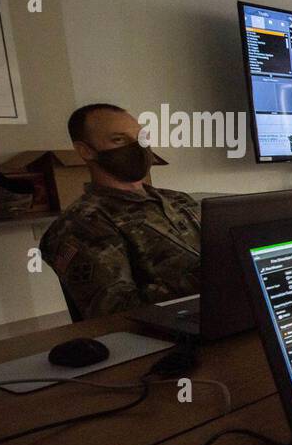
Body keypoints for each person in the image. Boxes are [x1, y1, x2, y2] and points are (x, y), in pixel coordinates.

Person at [39, 103, 201, 320]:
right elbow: (114, 311)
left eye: (140, 138)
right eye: (119, 140)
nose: (137, 147)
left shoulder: (180, 200)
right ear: (85, 151)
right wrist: (205, 280)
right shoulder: (82, 224)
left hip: (223, 312)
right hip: (166, 334)